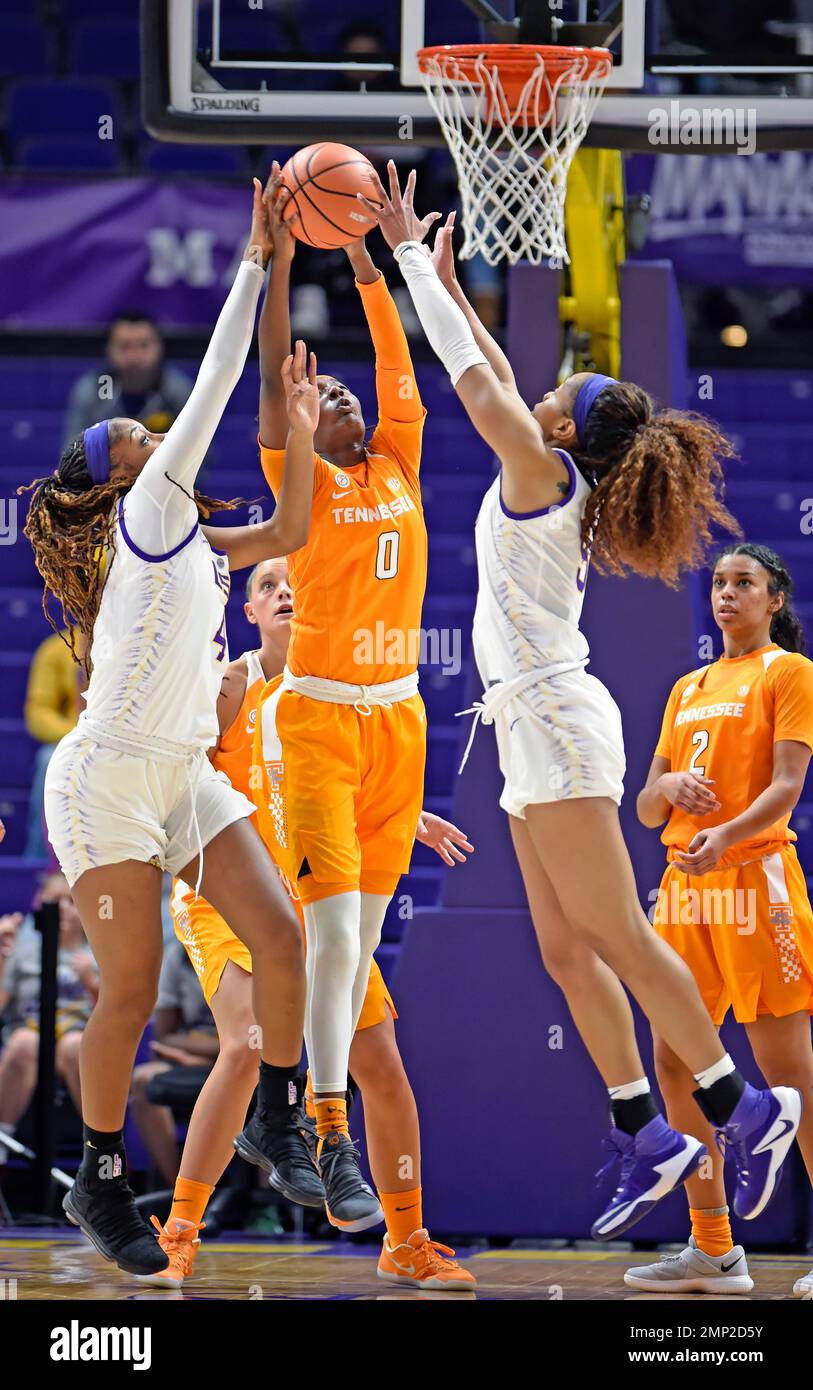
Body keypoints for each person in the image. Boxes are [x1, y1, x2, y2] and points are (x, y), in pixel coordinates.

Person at [360, 162, 803, 1239]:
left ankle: (749, 1108)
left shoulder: (540, 472)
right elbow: (501, 371)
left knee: (612, 925)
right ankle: (647, 1132)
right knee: (566, 951)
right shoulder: (554, 464)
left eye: (560, 392)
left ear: (568, 429)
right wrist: (452, 284)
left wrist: (405, 256)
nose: (542, 389)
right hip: (528, 720)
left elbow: (478, 388)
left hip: (555, 714)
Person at [18, 179, 318, 1278]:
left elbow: (289, 524)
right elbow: (216, 382)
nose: (151, 431)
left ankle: (277, 1109)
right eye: (134, 434)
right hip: (103, 785)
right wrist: (254, 261)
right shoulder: (147, 515)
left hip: (182, 772)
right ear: (121, 480)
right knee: (133, 992)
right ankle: (98, 1175)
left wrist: (295, 379)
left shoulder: (188, 534)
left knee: (285, 936)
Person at [143, 556, 476, 1288]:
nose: (285, 591)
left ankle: (406, 1239)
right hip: (227, 893)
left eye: (298, 580)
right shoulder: (230, 684)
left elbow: (340, 784)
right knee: (251, 1044)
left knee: (381, 1061)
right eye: (267, 586)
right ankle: (179, 1232)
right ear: (250, 612)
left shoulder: (341, 690)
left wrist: (403, 815)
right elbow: (179, 778)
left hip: (311, 896)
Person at [245, 170, 436, 1231]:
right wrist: (280, 259)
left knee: (359, 949)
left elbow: (400, 359)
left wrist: (365, 256)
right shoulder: (300, 483)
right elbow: (279, 384)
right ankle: (326, 1131)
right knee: (327, 942)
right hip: (316, 716)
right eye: (331, 399)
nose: (347, 397)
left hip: (398, 725)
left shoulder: (401, 457)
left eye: (352, 396)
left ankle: (320, 1121)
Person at [627, 543, 813, 1298]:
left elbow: (787, 785)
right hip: (684, 889)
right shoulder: (686, 686)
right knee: (671, 1064)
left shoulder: (787, 672)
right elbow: (644, 809)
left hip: (753, 878)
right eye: (720, 583)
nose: (728, 594)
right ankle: (712, 1250)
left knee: (789, 1073)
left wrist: (726, 836)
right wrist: (666, 782)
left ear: (773, 600)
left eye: (745, 584)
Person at [0, 874, 96, 1163]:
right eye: (55, 900)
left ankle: (98, 1148)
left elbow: (119, 1017)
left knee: (74, 1046)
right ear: (39, 903)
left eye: (73, 901)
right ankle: (2, 1142)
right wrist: (1, 955)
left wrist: (92, 982)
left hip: (76, 1041)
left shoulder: (99, 953)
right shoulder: (21, 950)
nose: (64, 908)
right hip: (28, 1042)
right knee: (26, 1042)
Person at [130, 943, 218, 1186]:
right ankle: (176, 1190)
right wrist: (193, 1059)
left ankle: (266, 1199)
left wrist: (197, 1056)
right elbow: (165, 1036)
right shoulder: (177, 955)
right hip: (190, 1061)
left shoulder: (247, 948)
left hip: (242, 1063)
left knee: (253, 1075)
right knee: (143, 1079)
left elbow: (250, 1040)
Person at [63, 313, 193, 449]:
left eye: (143, 345)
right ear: (109, 349)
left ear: (160, 347)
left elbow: (196, 452)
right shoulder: (93, 391)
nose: (134, 356)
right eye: (124, 346)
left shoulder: (177, 390)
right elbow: (73, 451)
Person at [23, 630, 81, 859]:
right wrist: (79, 734)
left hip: (126, 741)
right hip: (74, 738)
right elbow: (38, 712)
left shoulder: (139, 644)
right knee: (49, 760)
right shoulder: (58, 648)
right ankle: (41, 865)